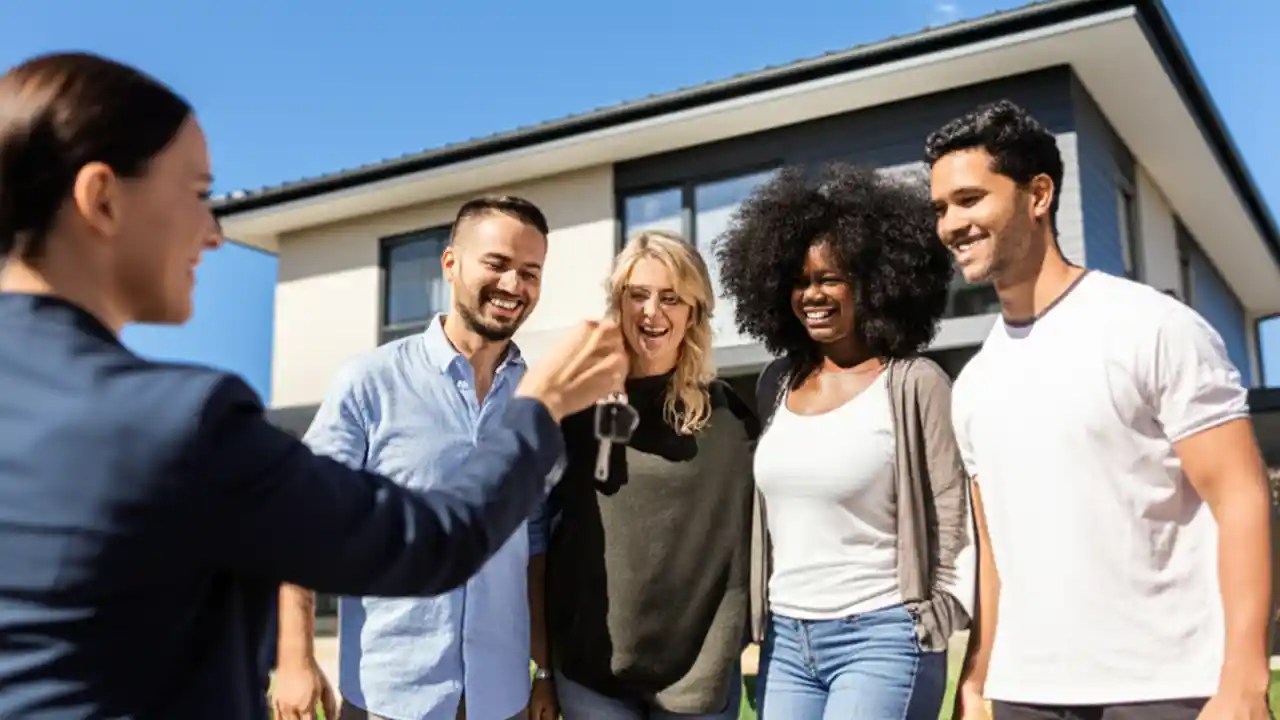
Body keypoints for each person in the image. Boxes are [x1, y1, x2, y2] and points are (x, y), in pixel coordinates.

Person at [0, 51, 627, 720]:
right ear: (101, 198)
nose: (212, 233)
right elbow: (433, 542)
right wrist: (540, 409)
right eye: (197, 194)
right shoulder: (184, 419)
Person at [929, 100, 1272, 720]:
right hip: (1028, 692)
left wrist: (1245, 681)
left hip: (1164, 687)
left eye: (970, 199)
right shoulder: (974, 383)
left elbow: (1241, 497)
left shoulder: (1152, 327)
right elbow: (996, 548)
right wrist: (978, 675)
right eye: (940, 209)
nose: (952, 224)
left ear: (1039, 194)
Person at [273, 195, 559, 720]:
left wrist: (543, 671)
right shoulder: (370, 383)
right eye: (497, 263)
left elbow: (533, 546)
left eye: (530, 272)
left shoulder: (539, 399)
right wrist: (295, 658)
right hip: (391, 695)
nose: (513, 285)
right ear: (450, 264)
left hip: (503, 698)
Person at [715, 162, 974, 720]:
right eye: (800, 281)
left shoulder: (915, 384)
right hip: (787, 641)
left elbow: (953, 517)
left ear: (875, 283)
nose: (813, 294)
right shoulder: (776, 383)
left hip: (882, 634)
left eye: (830, 278)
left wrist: (938, 617)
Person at [535, 230, 758, 720]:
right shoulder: (576, 410)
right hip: (590, 676)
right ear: (619, 304)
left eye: (671, 298)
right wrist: (545, 669)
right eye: (638, 295)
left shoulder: (730, 420)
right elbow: (539, 540)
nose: (652, 312)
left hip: (698, 679)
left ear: (693, 313)